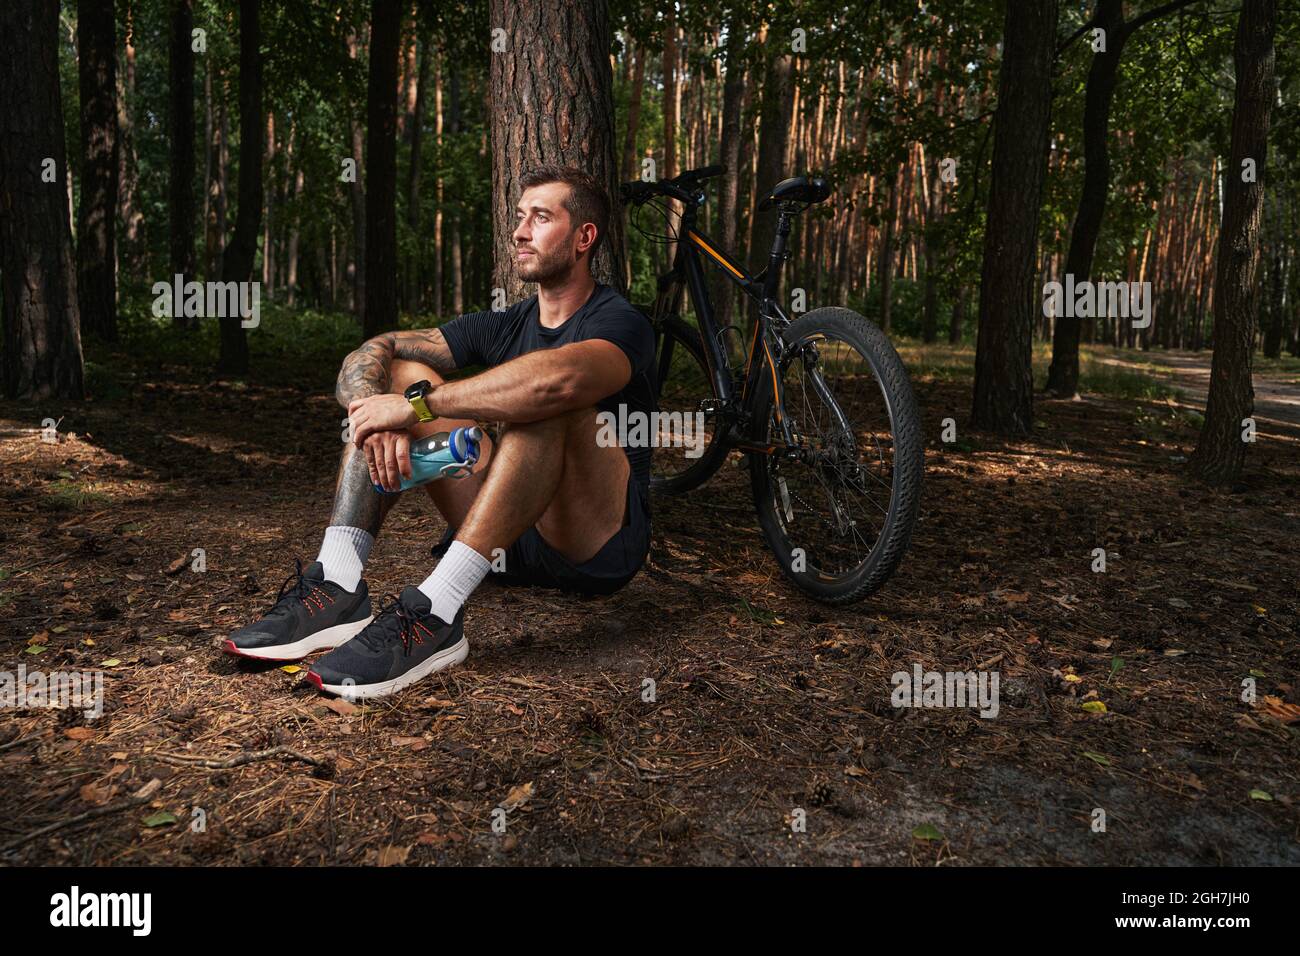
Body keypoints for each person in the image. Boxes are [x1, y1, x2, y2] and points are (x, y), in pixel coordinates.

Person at [224, 165, 655, 699]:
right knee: (400, 374)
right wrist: (378, 413)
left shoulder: (622, 322)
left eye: (540, 218)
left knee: (547, 400)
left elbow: (560, 382)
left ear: (584, 237)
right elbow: (377, 348)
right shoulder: (505, 322)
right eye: (519, 217)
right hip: (508, 541)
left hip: (594, 546)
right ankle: (336, 582)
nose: (520, 231)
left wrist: (414, 410)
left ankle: (437, 613)